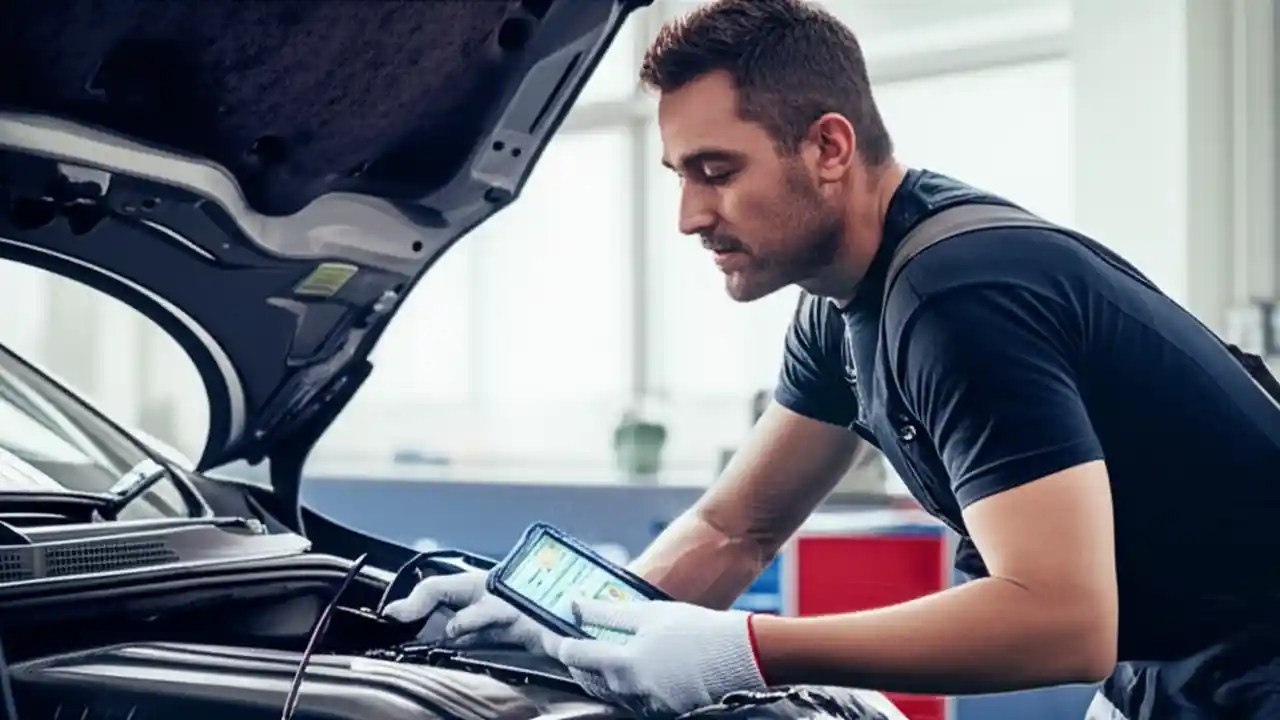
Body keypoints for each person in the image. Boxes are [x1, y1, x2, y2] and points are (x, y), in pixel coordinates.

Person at [382, 0, 1280, 717]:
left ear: (828, 147)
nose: (690, 217)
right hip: (1166, 675)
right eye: (680, 176)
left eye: (717, 171)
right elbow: (733, 531)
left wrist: (749, 649)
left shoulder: (957, 298)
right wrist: (555, 618)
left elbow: (1062, 623)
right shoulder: (840, 303)